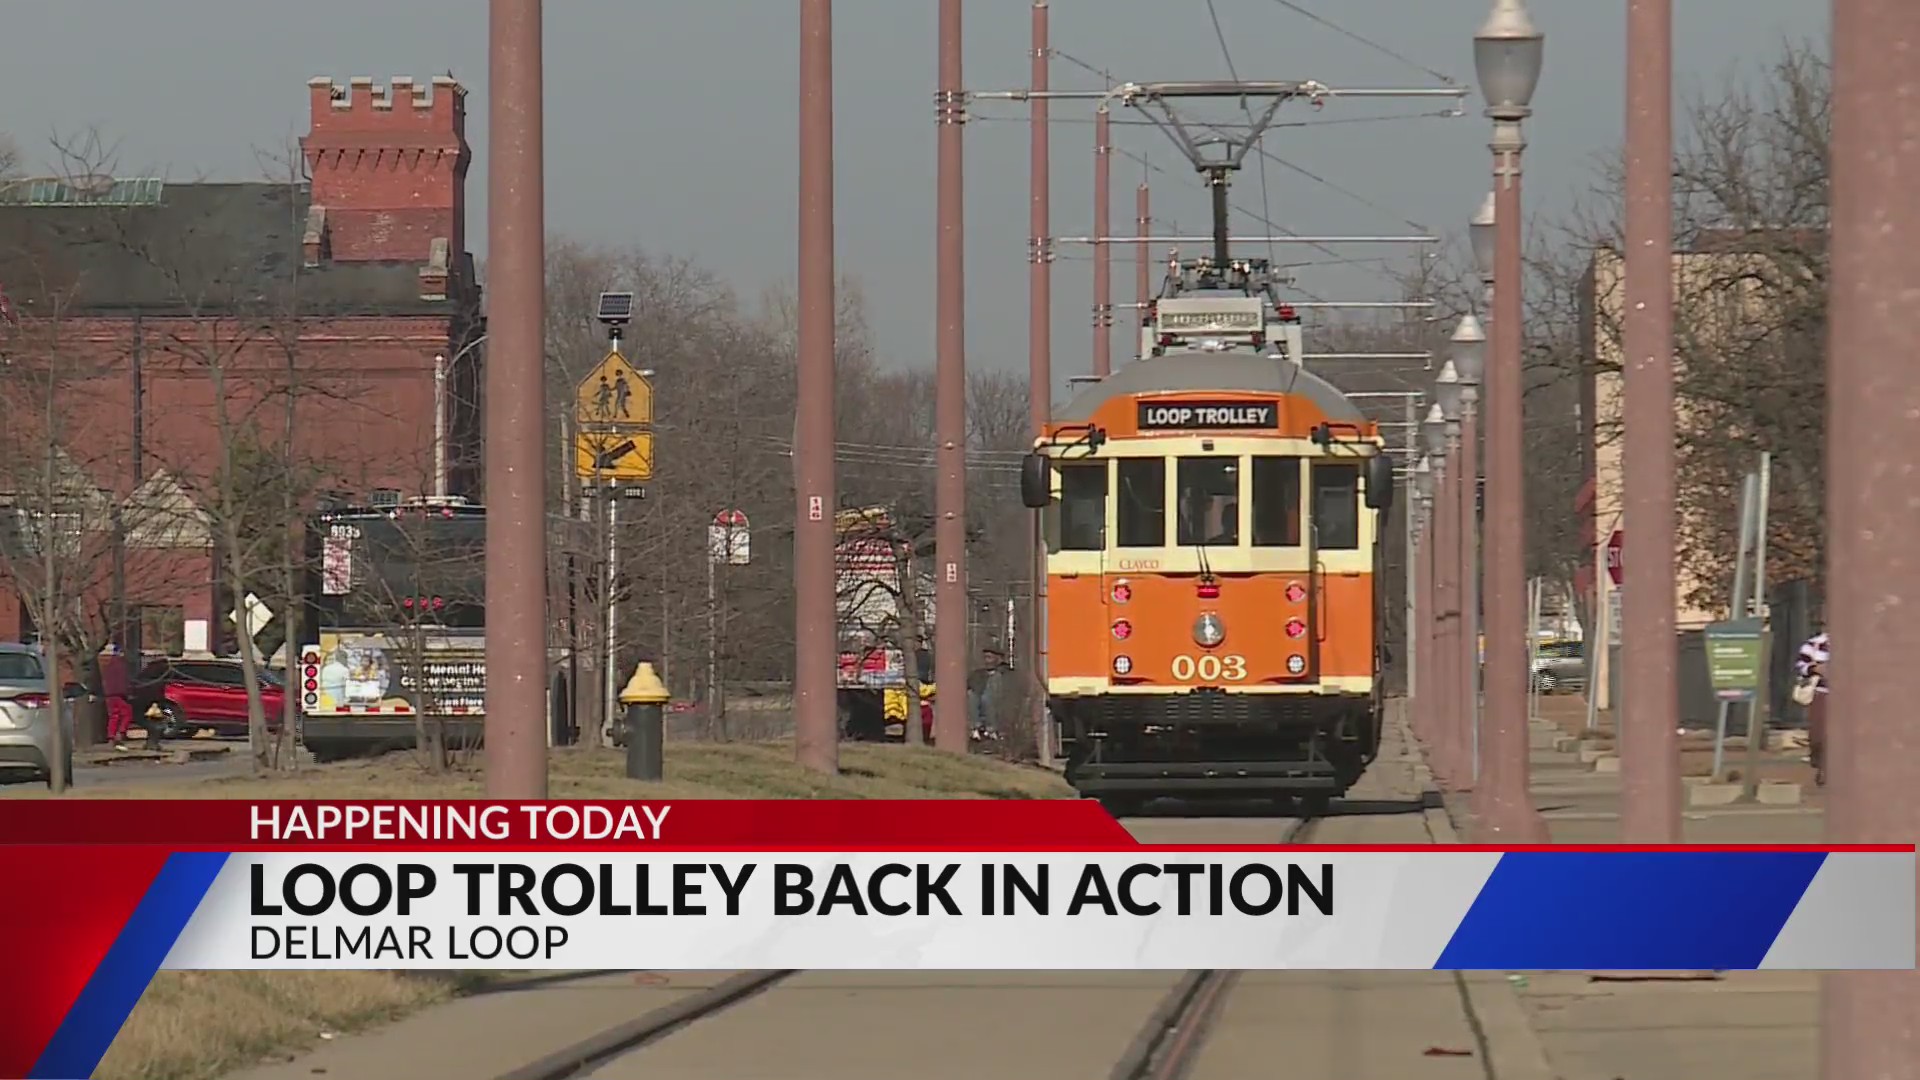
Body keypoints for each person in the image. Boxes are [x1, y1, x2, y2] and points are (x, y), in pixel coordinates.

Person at [1793, 629, 1829, 786]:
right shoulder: (1815, 644)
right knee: (1818, 735)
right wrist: (1815, 669)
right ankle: (1821, 765)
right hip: (1822, 694)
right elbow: (1800, 666)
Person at [101, 645, 135, 750]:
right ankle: (121, 732)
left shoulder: (109, 665)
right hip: (119, 694)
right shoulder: (121, 665)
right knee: (127, 713)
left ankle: (111, 736)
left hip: (109, 694)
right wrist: (129, 692)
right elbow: (123, 681)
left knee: (114, 716)